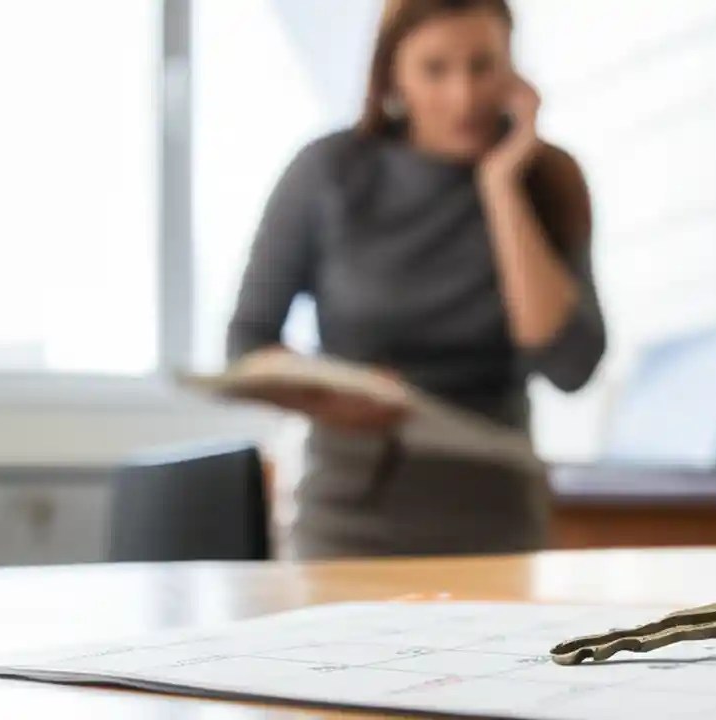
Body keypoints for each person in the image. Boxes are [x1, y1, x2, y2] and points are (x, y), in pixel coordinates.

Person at [225, 0, 605, 558]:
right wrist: (332, 394)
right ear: (392, 75)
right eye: (435, 69)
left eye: (483, 66)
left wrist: (501, 187)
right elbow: (246, 342)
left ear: (512, 67)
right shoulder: (328, 172)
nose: (464, 96)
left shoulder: (548, 179)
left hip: (498, 514)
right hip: (348, 511)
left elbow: (570, 365)